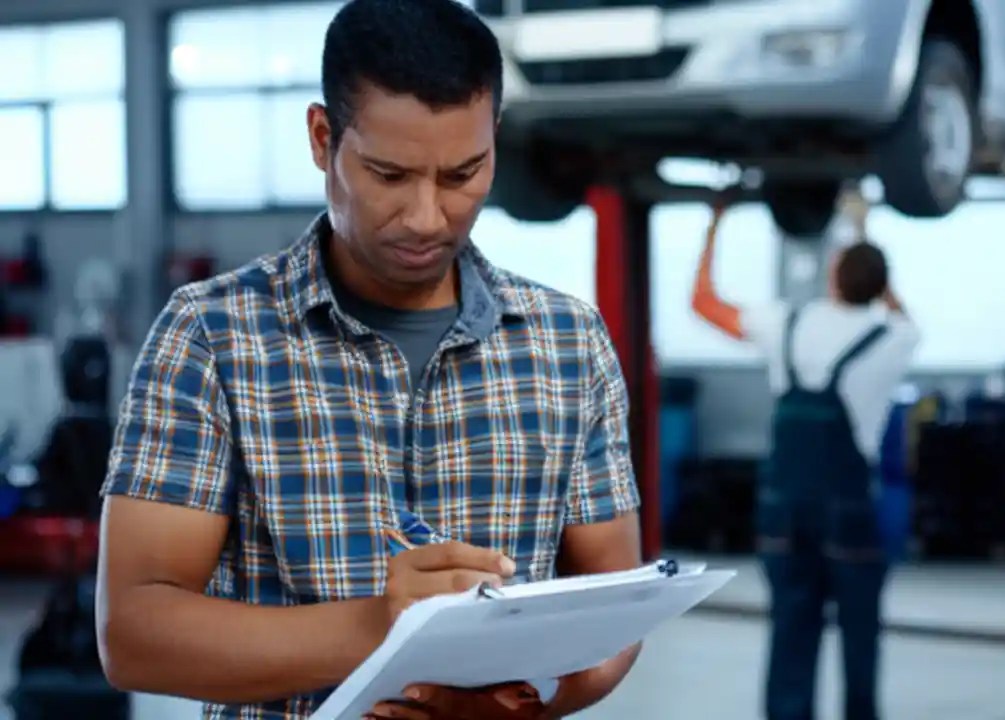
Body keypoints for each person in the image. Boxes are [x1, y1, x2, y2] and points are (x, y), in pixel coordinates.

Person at [95, 1, 642, 718]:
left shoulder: (567, 344)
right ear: (323, 138)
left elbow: (615, 611)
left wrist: (522, 705)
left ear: (494, 142)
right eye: (389, 174)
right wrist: (382, 625)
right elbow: (133, 634)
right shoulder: (213, 338)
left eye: (462, 174)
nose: (425, 215)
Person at [690, 197, 919, 720]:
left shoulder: (785, 323)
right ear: (879, 286)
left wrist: (715, 221)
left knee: (792, 632)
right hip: (850, 512)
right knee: (861, 636)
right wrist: (865, 235)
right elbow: (897, 310)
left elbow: (703, 302)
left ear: (833, 274)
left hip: (786, 511)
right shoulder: (894, 337)